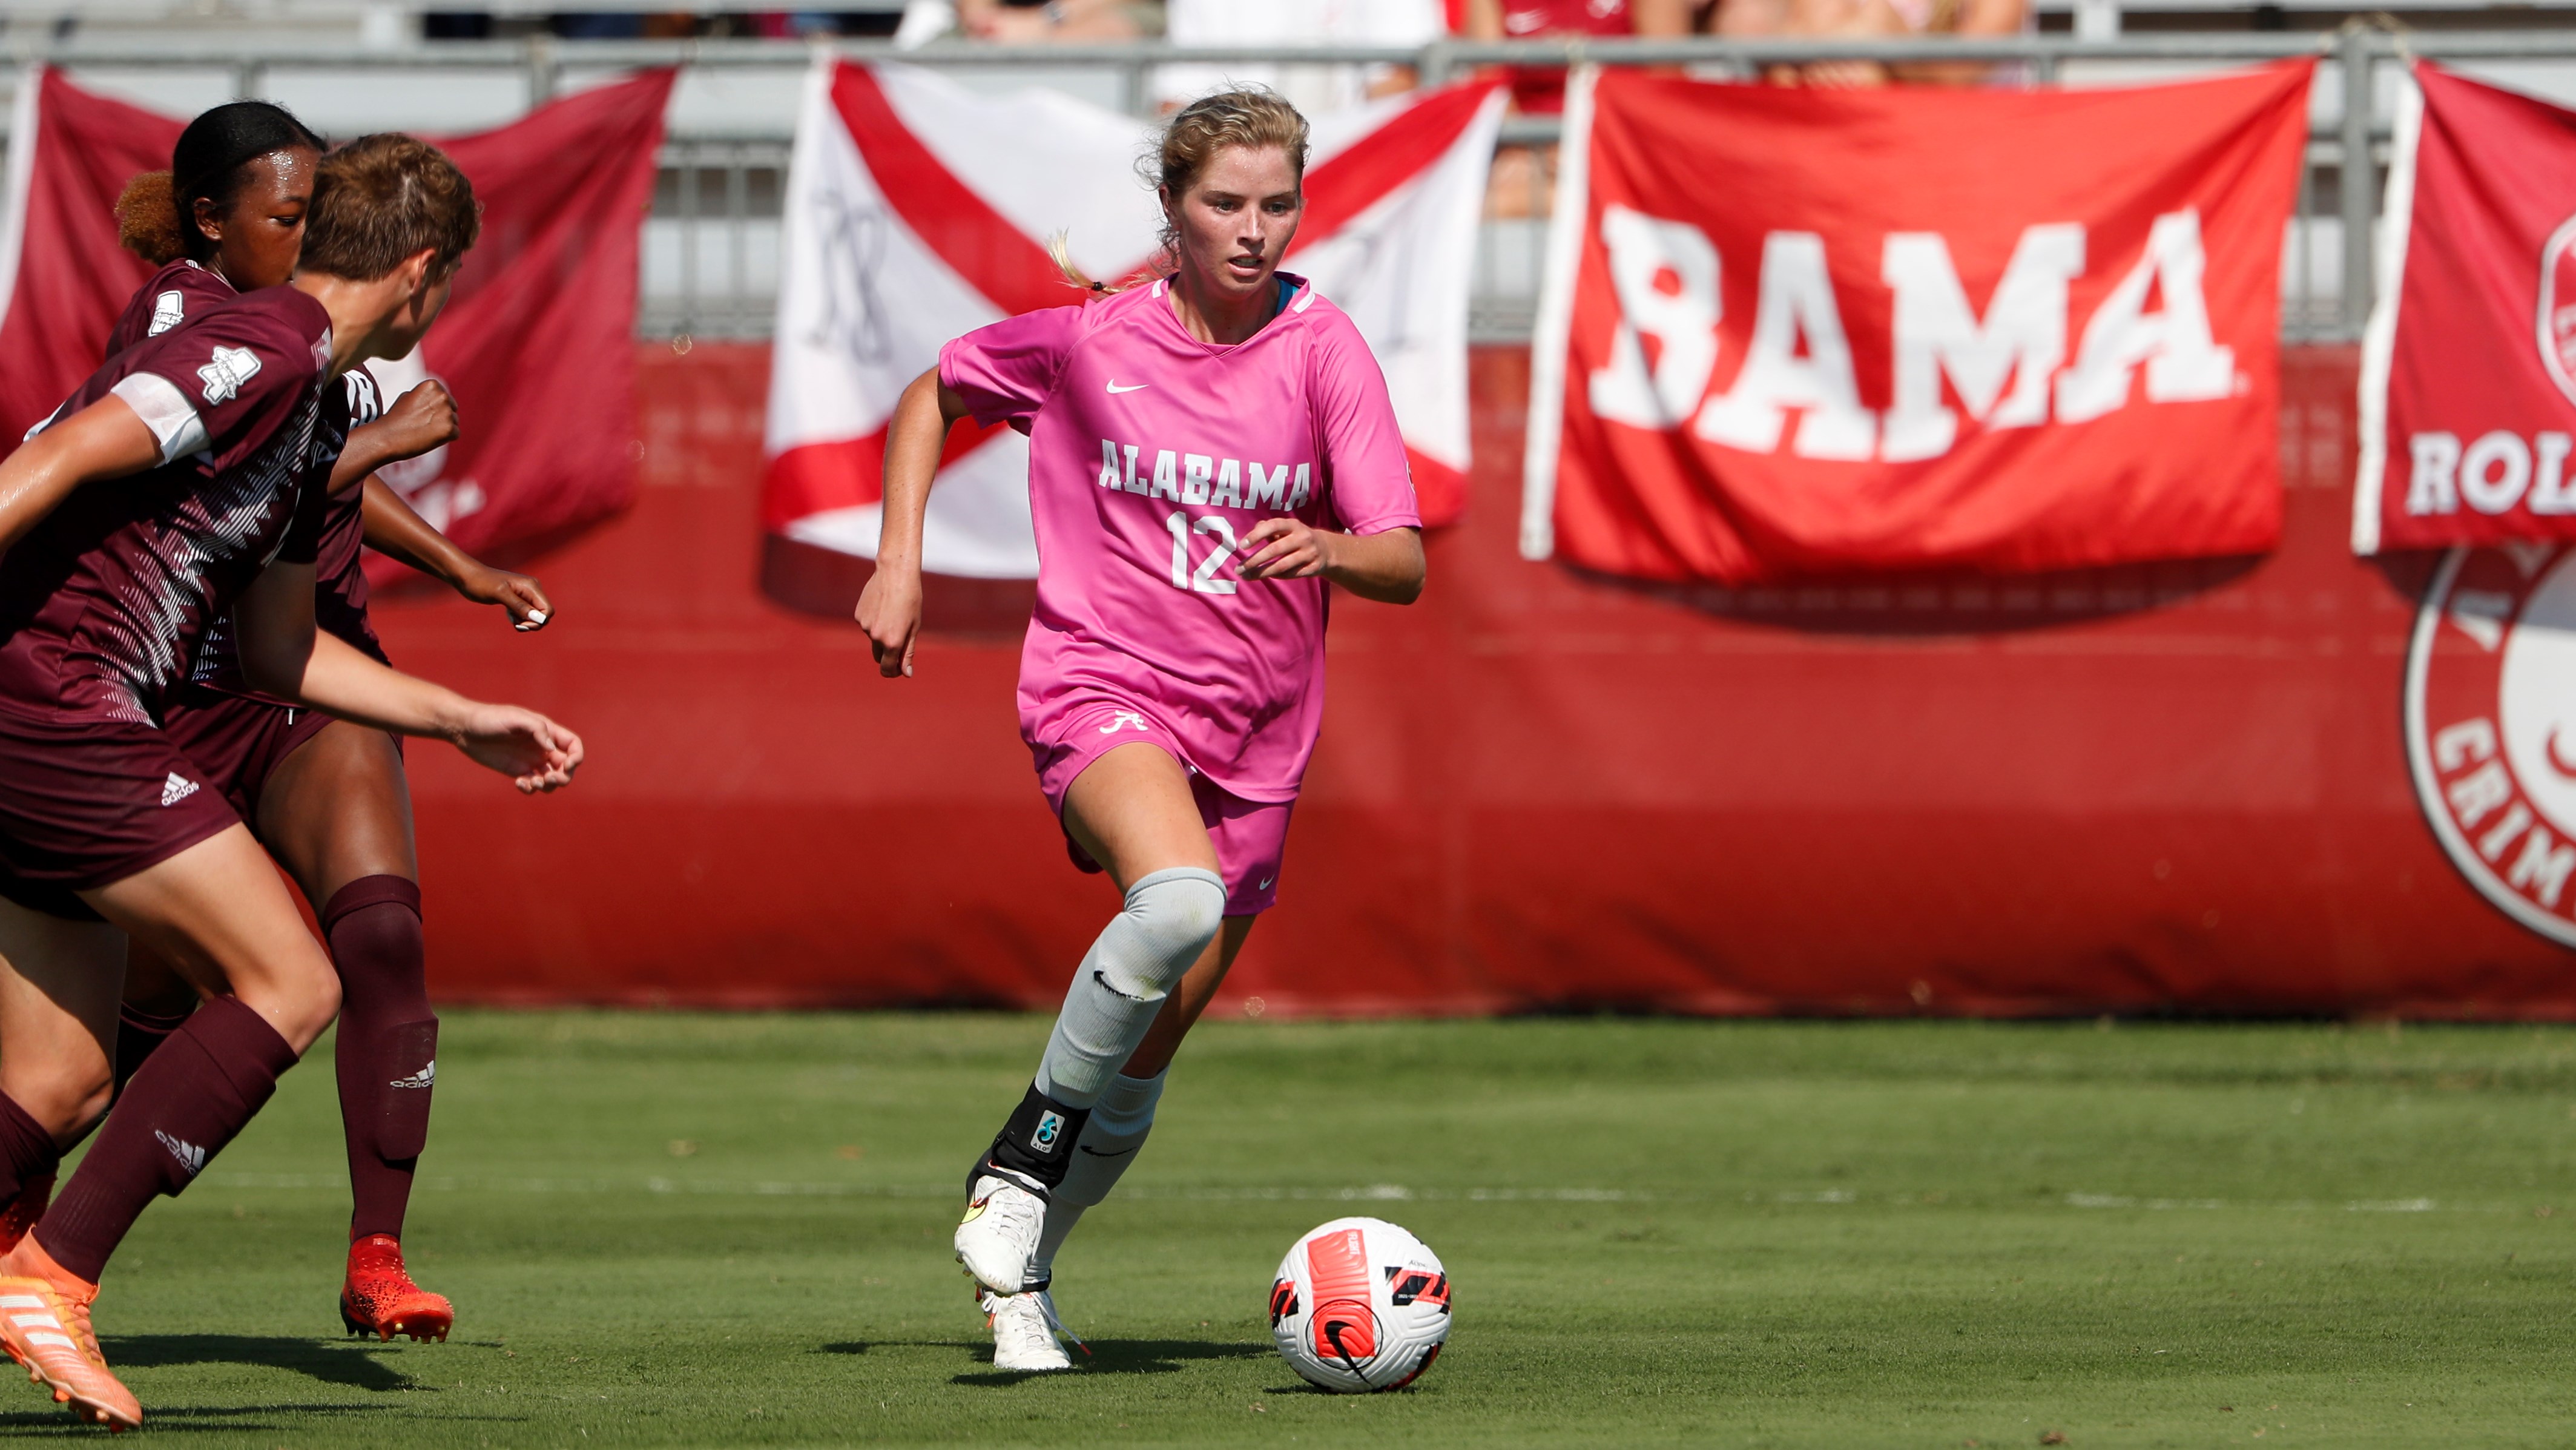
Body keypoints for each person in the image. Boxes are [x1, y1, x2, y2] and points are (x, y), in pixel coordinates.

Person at [0, 132, 581, 1430]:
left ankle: (35, 1267)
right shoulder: (269, 345)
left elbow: (275, 646)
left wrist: (456, 715)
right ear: (422, 276)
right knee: (292, 977)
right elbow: (70, 451)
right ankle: (50, 1278)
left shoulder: (311, 393)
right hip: (56, 698)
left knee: (60, 1081)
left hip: (47, 702)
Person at [857, 87, 1427, 1373]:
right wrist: (902, 558)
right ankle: (1015, 1165)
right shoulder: (1087, 339)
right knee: (1173, 903)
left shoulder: (1323, 346)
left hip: (1260, 732)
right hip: (1101, 685)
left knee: (1149, 1050)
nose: (1253, 227)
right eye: (1224, 202)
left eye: (1275, 203)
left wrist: (1332, 544)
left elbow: (1401, 561)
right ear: (1169, 211)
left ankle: (1025, 1282)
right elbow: (928, 397)